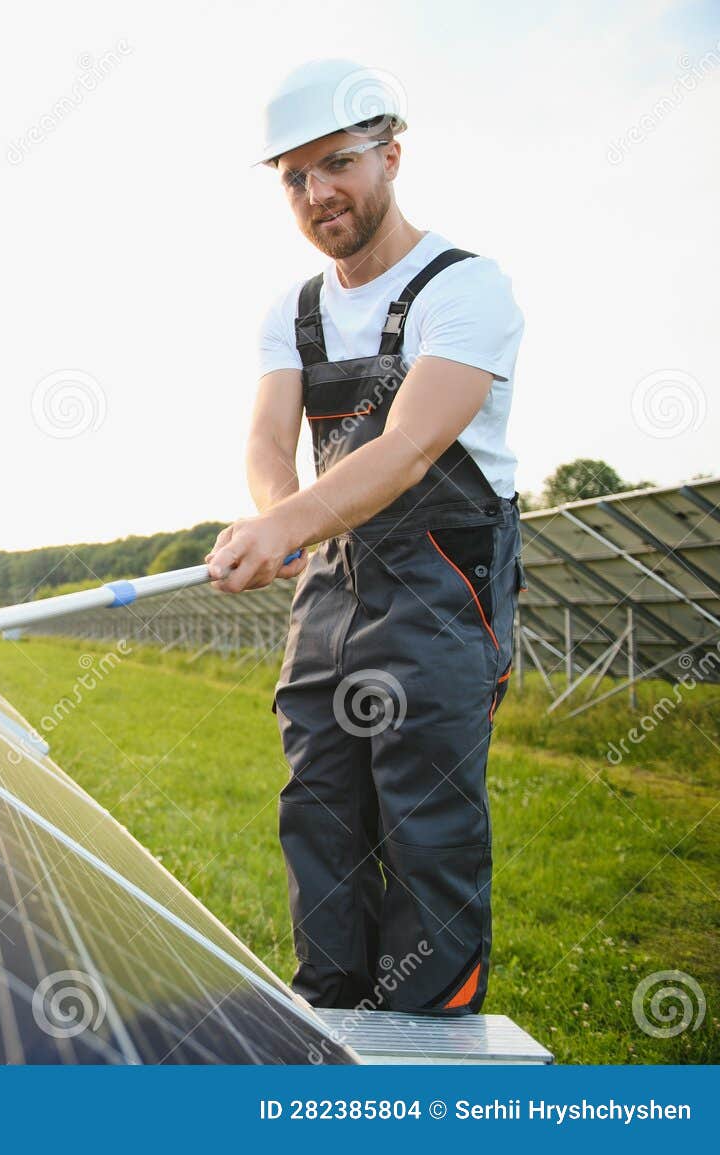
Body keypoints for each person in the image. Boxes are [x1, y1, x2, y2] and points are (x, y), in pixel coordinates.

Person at [205, 59, 524, 1014]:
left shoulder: (466, 289)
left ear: (389, 155)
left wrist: (290, 520)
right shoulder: (294, 312)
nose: (317, 193)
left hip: (442, 586)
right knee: (320, 810)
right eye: (294, 177)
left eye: (336, 164)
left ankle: (426, 1048)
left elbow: (410, 447)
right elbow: (269, 438)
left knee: (424, 824)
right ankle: (331, 1021)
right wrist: (278, 519)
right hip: (332, 587)